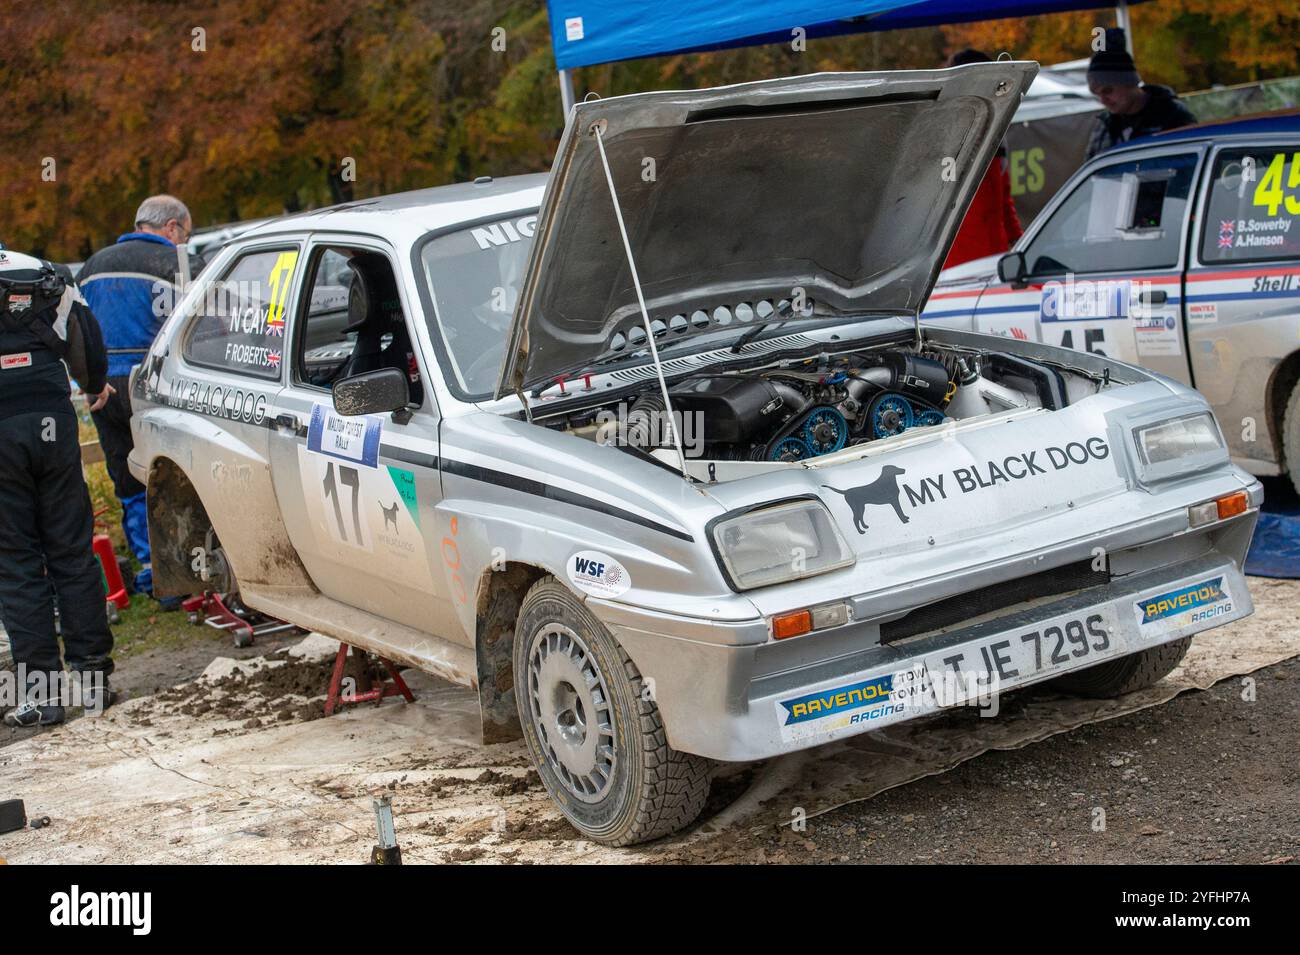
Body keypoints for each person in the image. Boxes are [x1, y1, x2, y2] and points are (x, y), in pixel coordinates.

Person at [0, 249, 117, 726]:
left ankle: (44, 697)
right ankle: (93, 684)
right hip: (52, 421)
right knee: (72, 550)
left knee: (16, 565)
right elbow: (88, 349)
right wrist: (93, 383)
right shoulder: (45, 272)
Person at [78, 195, 201, 598]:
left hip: (100, 389)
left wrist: (89, 380)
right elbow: (212, 325)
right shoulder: (176, 265)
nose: (185, 240)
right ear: (170, 228)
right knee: (175, 474)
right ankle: (187, 573)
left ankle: (151, 575)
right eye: (186, 232)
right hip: (152, 383)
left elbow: (74, 329)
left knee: (126, 478)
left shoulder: (93, 266)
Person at [943, 49, 1023, 269]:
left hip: (994, 256)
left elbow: (1004, 200)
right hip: (956, 266)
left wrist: (1018, 241)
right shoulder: (942, 134)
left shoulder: (997, 133)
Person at [1084, 28, 1196, 159]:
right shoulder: (1105, 125)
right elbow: (1091, 167)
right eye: (1096, 94)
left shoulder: (1172, 115)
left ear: (1130, 83)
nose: (1103, 100)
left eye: (1108, 90)